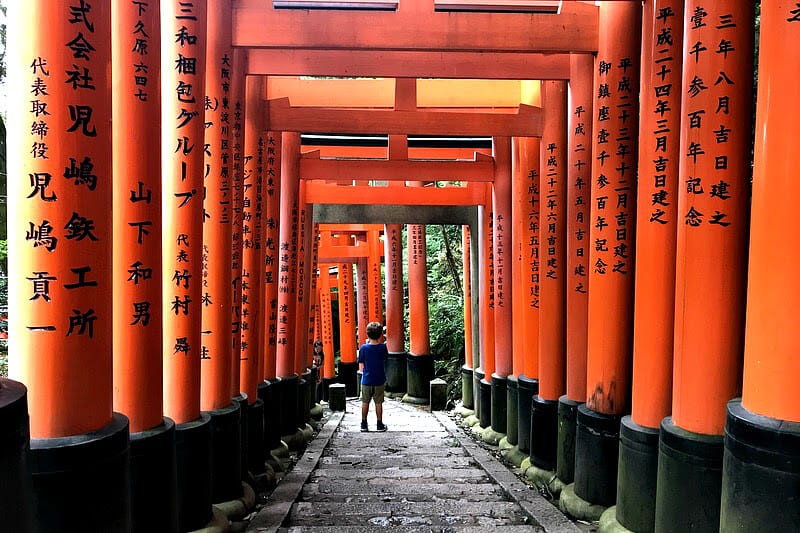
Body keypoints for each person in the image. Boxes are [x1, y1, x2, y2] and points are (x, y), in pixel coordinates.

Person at [357, 321, 388, 432]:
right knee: (378, 403)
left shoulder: (364, 348)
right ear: (380, 335)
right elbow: (385, 358)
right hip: (379, 379)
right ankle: (379, 424)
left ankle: (364, 424)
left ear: (367, 334)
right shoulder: (383, 348)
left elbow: (361, 361)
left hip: (366, 379)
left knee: (365, 402)